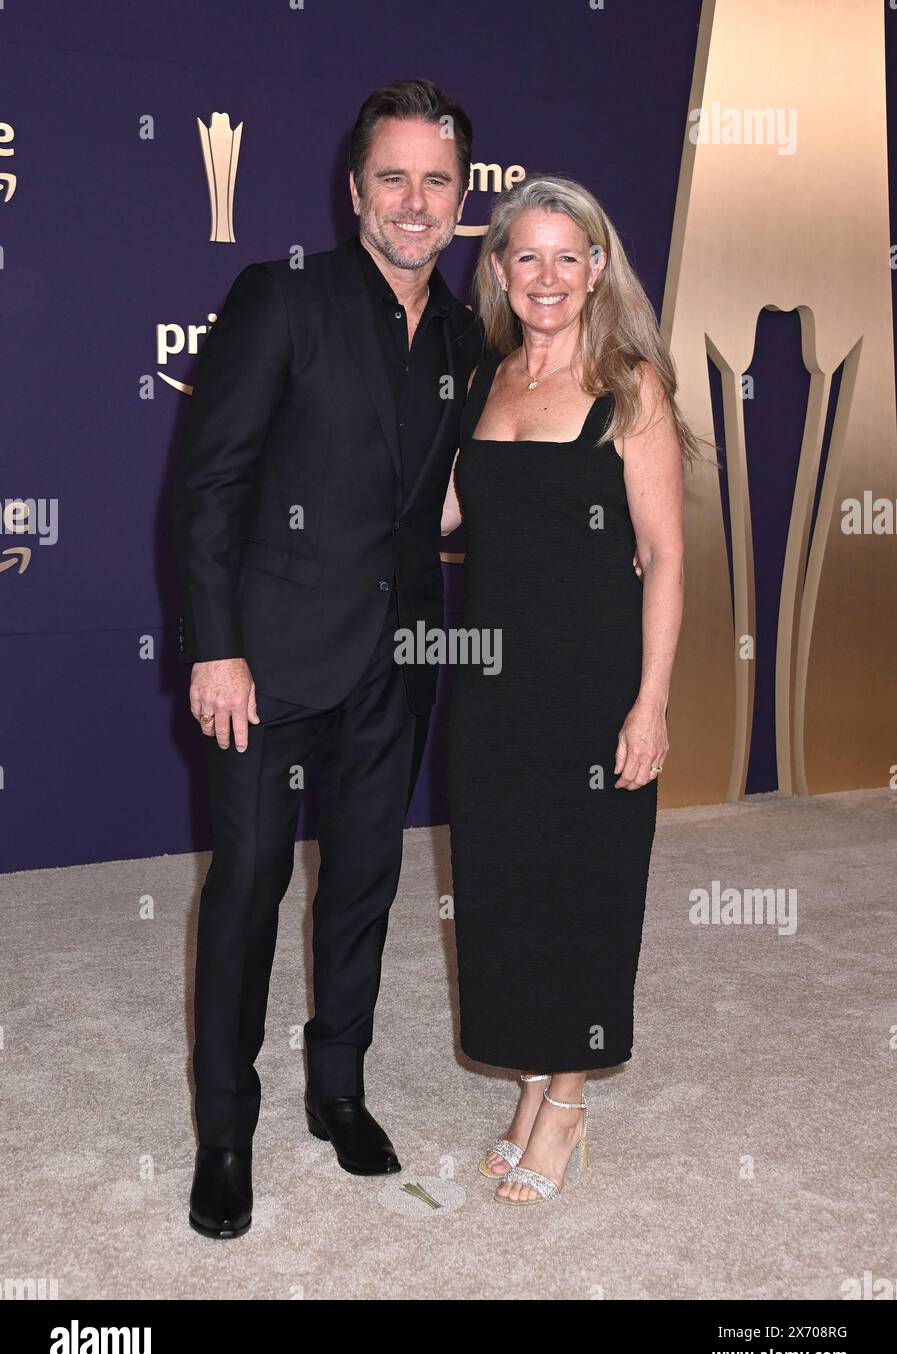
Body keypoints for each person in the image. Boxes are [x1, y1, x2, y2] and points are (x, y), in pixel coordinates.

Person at [172, 78, 483, 1237]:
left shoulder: (463, 335)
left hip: (398, 662)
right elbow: (208, 489)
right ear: (356, 189)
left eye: (437, 180)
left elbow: (440, 505)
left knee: (363, 883)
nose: (415, 201)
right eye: (393, 177)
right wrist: (218, 651)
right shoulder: (282, 298)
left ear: (464, 199)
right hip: (269, 661)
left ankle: (337, 1090)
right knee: (249, 886)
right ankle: (224, 1128)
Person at [442, 174, 699, 1204]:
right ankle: (530, 1081)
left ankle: (569, 1104)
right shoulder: (485, 381)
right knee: (504, 886)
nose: (546, 277)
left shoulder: (632, 383)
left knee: (585, 886)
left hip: (593, 680)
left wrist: (652, 702)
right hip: (492, 683)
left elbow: (667, 556)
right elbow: (443, 517)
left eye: (568, 256)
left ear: (598, 268)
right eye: (526, 256)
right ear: (499, 268)